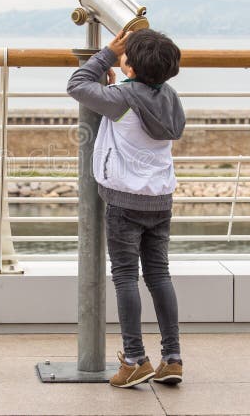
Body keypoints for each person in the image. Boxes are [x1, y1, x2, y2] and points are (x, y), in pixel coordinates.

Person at [66, 28, 186, 388]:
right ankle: (172, 358)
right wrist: (116, 83)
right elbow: (132, 99)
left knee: (124, 277)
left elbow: (76, 84)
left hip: (123, 201)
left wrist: (105, 54)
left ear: (130, 66)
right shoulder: (171, 97)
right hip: (160, 198)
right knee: (159, 276)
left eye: (125, 55)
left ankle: (134, 359)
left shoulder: (121, 99)